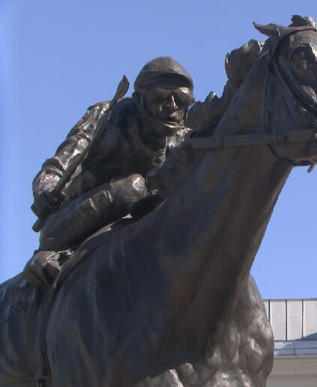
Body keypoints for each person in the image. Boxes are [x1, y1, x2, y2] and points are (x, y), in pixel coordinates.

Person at [23, 57, 195, 286]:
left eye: (181, 100)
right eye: (161, 97)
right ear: (138, 99)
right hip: (69, 223)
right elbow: (57, 167)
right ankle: (50, 254)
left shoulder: (184, 139)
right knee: (133, 187)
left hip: (138, 220)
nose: (172, 107)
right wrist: (45, 191)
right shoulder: (107, 115)